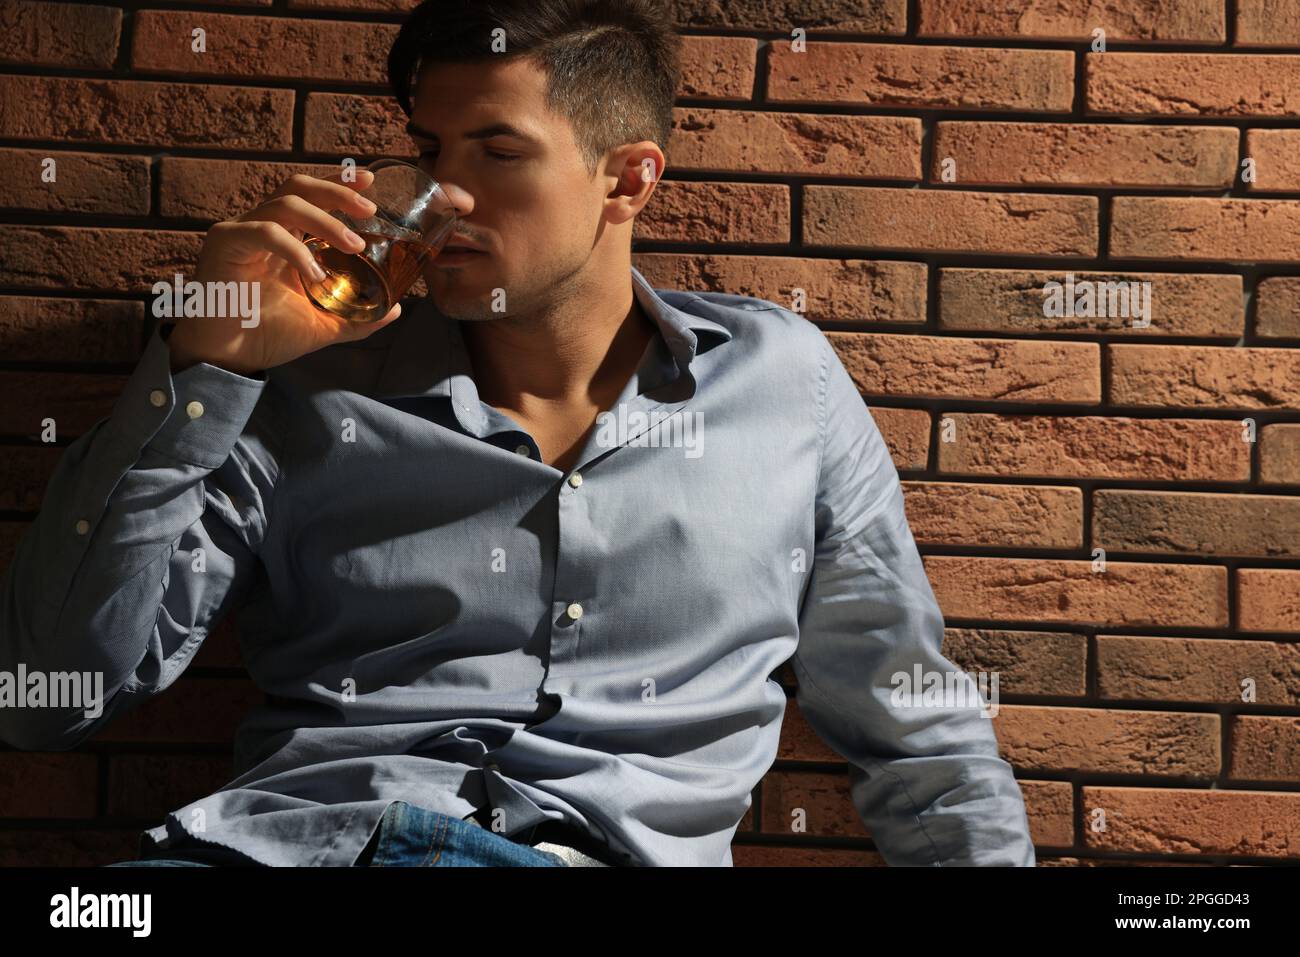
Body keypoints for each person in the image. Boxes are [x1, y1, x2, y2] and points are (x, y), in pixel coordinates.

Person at [0, 0, 1035, 867]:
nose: (444, 197)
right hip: (293, 848)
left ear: (627, 179)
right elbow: (48, 697)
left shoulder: (782, 384)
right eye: (428, 152)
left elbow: (918, 729)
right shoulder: (300, 390)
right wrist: (204, 368)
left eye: (497, 151)